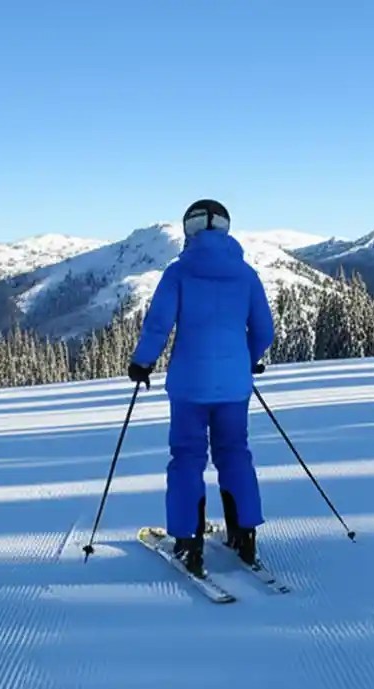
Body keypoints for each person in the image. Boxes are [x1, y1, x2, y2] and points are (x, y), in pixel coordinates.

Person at [127, 199, 275, 576]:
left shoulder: (179, 273)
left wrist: (142, 363)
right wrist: (247, 358)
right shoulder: (246, 275)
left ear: (188, 229)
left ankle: (188, 543)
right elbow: (264, 331)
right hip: (234, 388)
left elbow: (158, 324)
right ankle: (244, 538)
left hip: (189, 387)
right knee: (235, 453)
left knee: (188, 458)